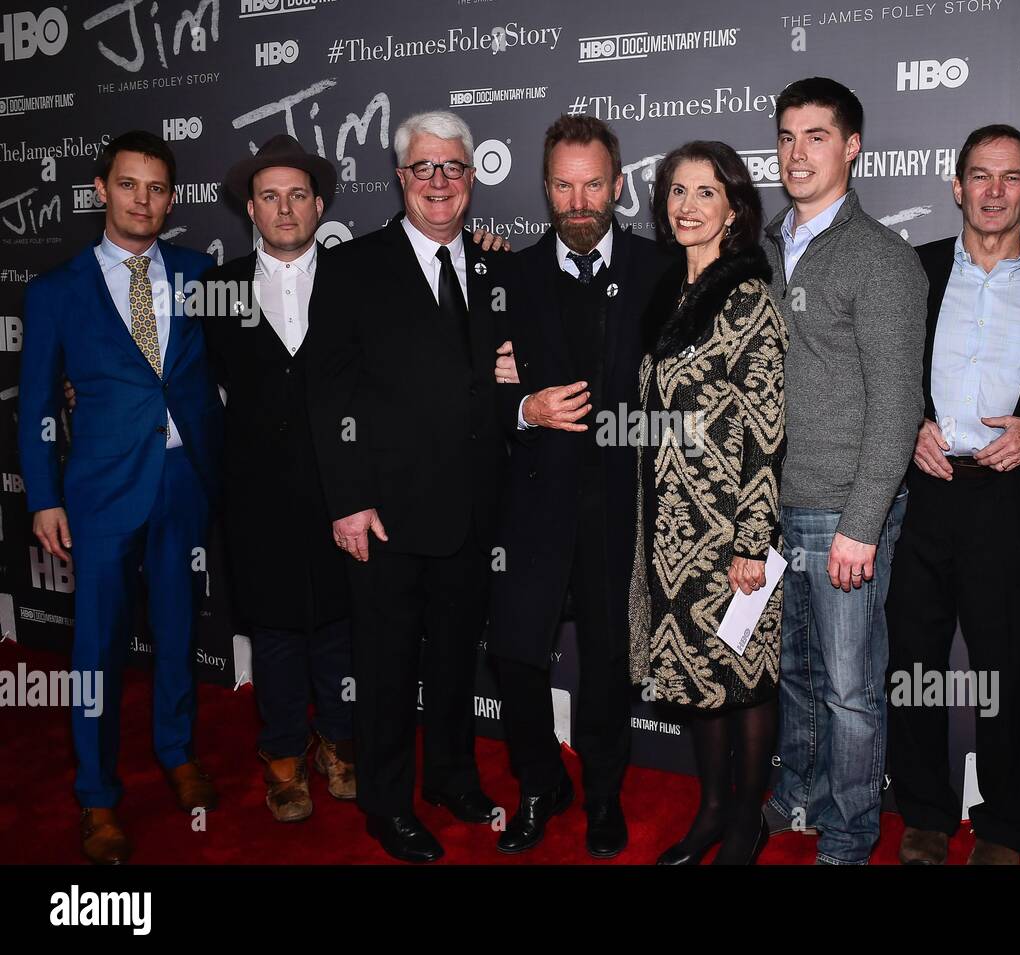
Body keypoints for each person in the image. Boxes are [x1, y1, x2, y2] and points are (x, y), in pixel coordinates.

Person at [886, 125, 1020, 865]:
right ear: (957, 185)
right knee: (914, 661)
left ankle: (1006, 821)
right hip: (921, 495)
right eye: (981, 175)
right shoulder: (911, 272)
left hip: (1012, 503)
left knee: (1002, 668)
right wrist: (907, 425)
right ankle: (923, 812)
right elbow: (878, 375)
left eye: (1011, 178)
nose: (995, 191)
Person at [308, 111, 508, 863]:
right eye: (423, 168)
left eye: (453, 168)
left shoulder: (495, 268)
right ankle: (387, 802)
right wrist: (348, 499)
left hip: (471, 510)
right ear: (399, 178)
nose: (438, 182)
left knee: (456, 656)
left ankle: (451, 774)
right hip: (385, 514)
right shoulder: (355, 267)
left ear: (471, 178)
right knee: (387, 666)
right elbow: (330, 397)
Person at [18, 131, 223, 864]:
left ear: (173, 198)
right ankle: (98, 795)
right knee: (96, 648)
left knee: (176, 633)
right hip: (99, 495)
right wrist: (43, 496)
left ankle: (176, 752)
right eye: (130, 185)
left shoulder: (204, 275)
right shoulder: (55, 292)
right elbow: (36, 400)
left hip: (181, 484)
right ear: (101, 189)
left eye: (158, 188)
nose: (145, 200)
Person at [490, 116, 674, 857]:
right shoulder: (505, 275)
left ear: (618, 185)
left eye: (592, 183)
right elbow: (470, 392)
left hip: (622, 508)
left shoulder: (662, 269)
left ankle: (603, 795)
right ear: (544, 189)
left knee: (606, 661)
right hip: (531, 503)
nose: (578, 199)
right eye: (563, 185)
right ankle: (540, 784)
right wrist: (524, 406)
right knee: (513, 655)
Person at [759, 78, 929, 865]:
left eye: (816, 136)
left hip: (842, 512)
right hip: (769, 510)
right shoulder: (757, 245)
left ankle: (853, 833)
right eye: (788, 136)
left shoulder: (883, 258)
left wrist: (864, 522)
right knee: (792, 675)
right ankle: (800, 798)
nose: (798, 152)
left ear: (852, 146)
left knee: (851, 691)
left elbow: (898, 407)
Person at [628, 141, 788, 865]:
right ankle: (714, 811)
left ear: (734, 210)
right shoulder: (671, 294)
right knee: (697, 677)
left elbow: (767, 427)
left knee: (744, 678)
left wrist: (751, 540)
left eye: (705, 192)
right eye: (677, 191)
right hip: (669, 528)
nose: (687, 205)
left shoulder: (749, 298)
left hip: (729, 532)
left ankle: (747, 821)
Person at [200, 135, 354, 823]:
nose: (285, 208)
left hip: (344, 489)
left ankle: (342, 743)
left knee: (340, 625)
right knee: (275, 632)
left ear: (318, 204)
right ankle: (285, 756)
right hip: (257, 498)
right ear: (250, 210)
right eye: (270, 196)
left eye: (298, 194)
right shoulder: (217, 288)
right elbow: (182, 382)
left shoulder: (359, 277)